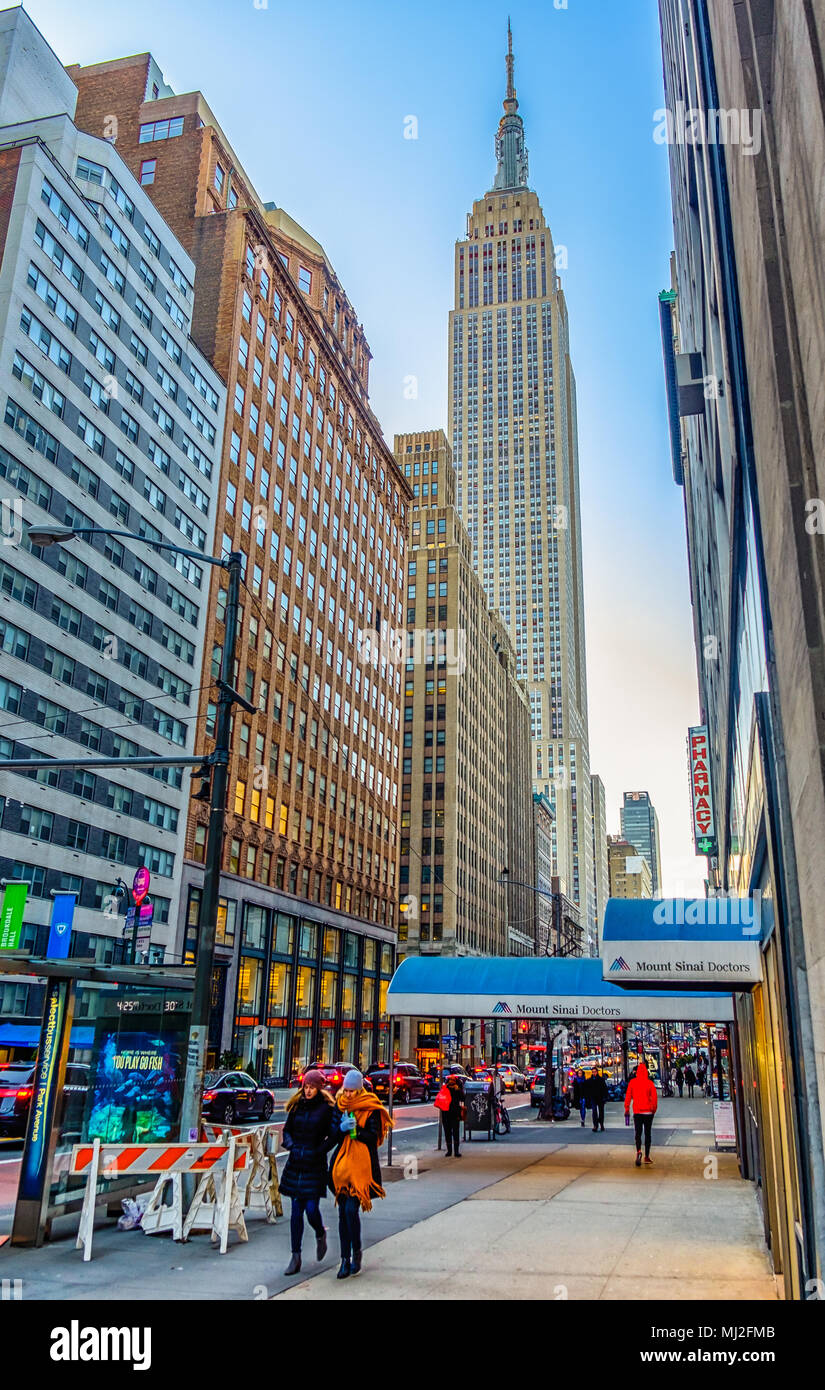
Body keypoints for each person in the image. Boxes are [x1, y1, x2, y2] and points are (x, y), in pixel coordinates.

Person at [328, 1068, 393, 1279]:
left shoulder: (371, 1107)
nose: (347, 1095)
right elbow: (333, 1136)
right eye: (345, 1091)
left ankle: (356, 1252)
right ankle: (344, 1260)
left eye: (351, 1091)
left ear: (359, 1091)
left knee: (350, 1210)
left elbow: (374, 1137)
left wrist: (357, 1131)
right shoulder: (339, 1107)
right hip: (342, 1167)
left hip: (362, 1168)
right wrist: (342, 1129)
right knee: (342, 1213)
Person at [280, 1069, 334, 1276]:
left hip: (314, 1164)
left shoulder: (326, 1109)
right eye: (306, 1087)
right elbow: (287, 1130)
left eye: (312, 1087)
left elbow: (332, 1136)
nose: (308, 1090)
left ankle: (320, 1233)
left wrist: (318, 1150)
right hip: (296, 1164)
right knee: (296, 1212)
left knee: (311, 1209)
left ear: (318, 1088)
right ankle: (295, 1256)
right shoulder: (297, 1106)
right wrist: (291, 1145)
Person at [624, 1061, 659, 1166]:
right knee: (648, 1134)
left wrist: (627, 1109)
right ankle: (647, 1156)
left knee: (638, 1133)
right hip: (648, 1112)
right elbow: (654, 1099)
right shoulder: (649, 1083)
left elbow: (628, 1097)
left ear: (637, 1072)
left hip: (637, 1111)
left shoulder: (632, 1083)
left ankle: (638, 1151)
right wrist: (653, 1109)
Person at [441, 1072, 465, 1157]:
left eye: (453, 1080)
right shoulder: (445, 1088)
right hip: (446, 1113)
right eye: (450, 1080)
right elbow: (440, 1098)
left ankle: (456, 1151)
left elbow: (463, 1098)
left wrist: (458, 1089)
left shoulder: (457, 1089)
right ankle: (449, 1151)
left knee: (455, 1132)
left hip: (455, 1113)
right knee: (447, 1132)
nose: (451, 1081)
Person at [589, 1067, 608, 1133]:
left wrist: (605, 1097)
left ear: (597, 1072)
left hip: (600, 1098)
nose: (594, 1073)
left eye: (595, 1072)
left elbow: (604, 1088)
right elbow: (588, 1089)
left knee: (601, 1111)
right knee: (594, 1111)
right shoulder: (590, 1080)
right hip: (593, 1098)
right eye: (593, 1072)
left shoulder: (601, 1080)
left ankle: (601, 1124)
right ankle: (595, 1125)